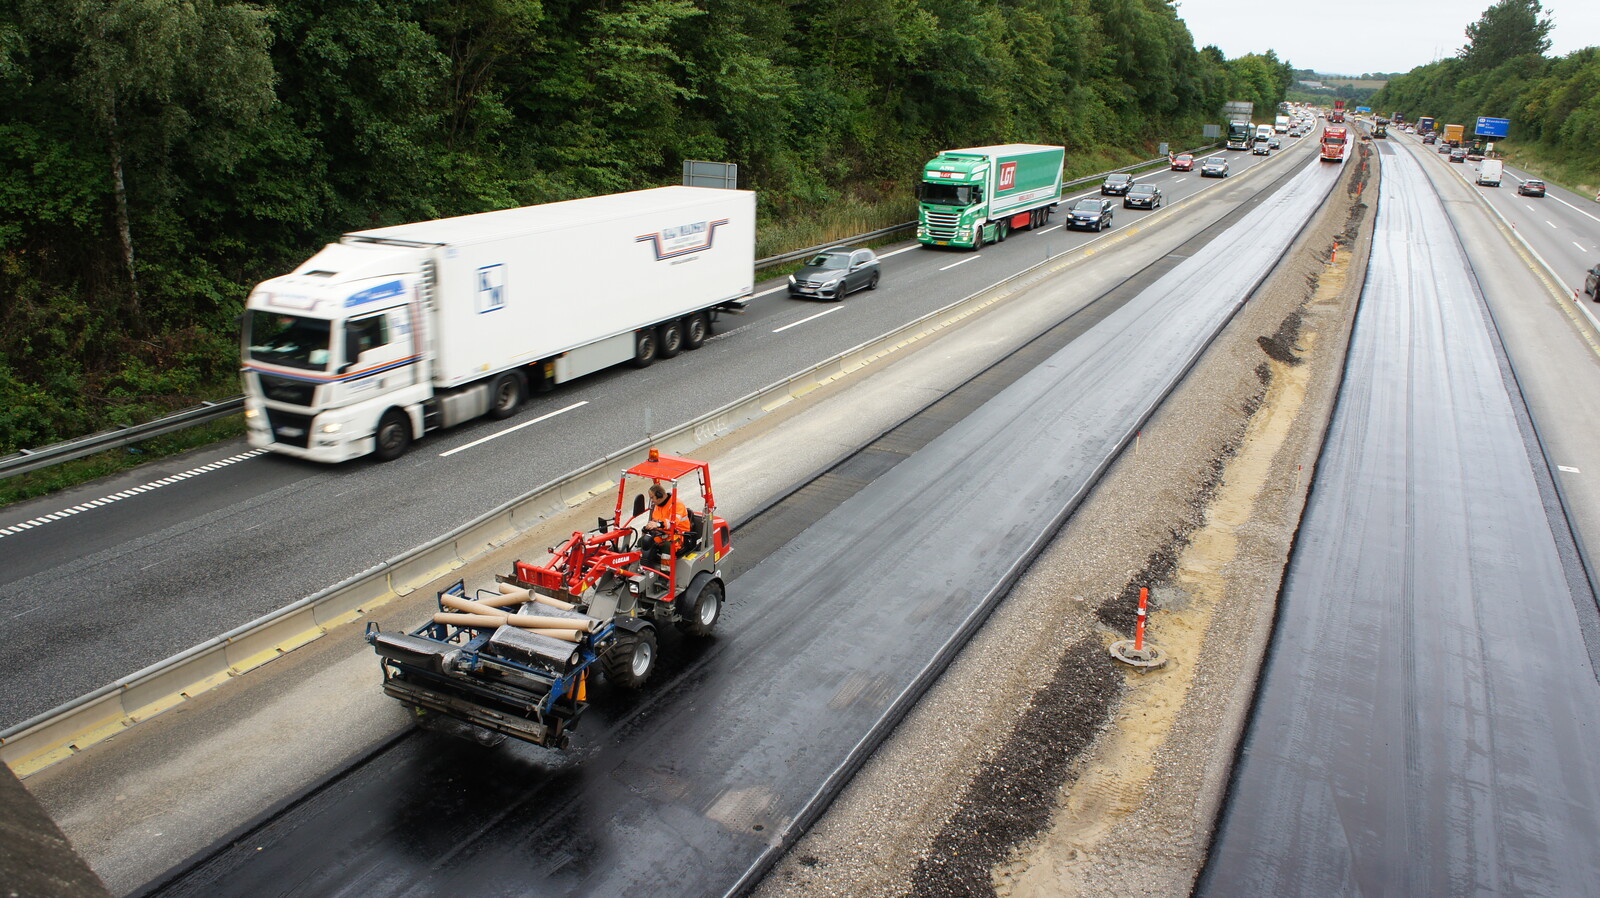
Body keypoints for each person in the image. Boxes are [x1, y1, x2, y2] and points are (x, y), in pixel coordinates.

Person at [639, 483, 688, 572]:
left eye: (652, 497)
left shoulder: (677, 504)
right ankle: (645, 567)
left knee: (668, 546)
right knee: (643, 541)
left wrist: (658, 525)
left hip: (679, 534)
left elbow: (673, 523)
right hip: (663, 534)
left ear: (659, 496)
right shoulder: (657, 506)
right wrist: (648, 528)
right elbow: (655, 521)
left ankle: (665, 575)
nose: (651, 500)